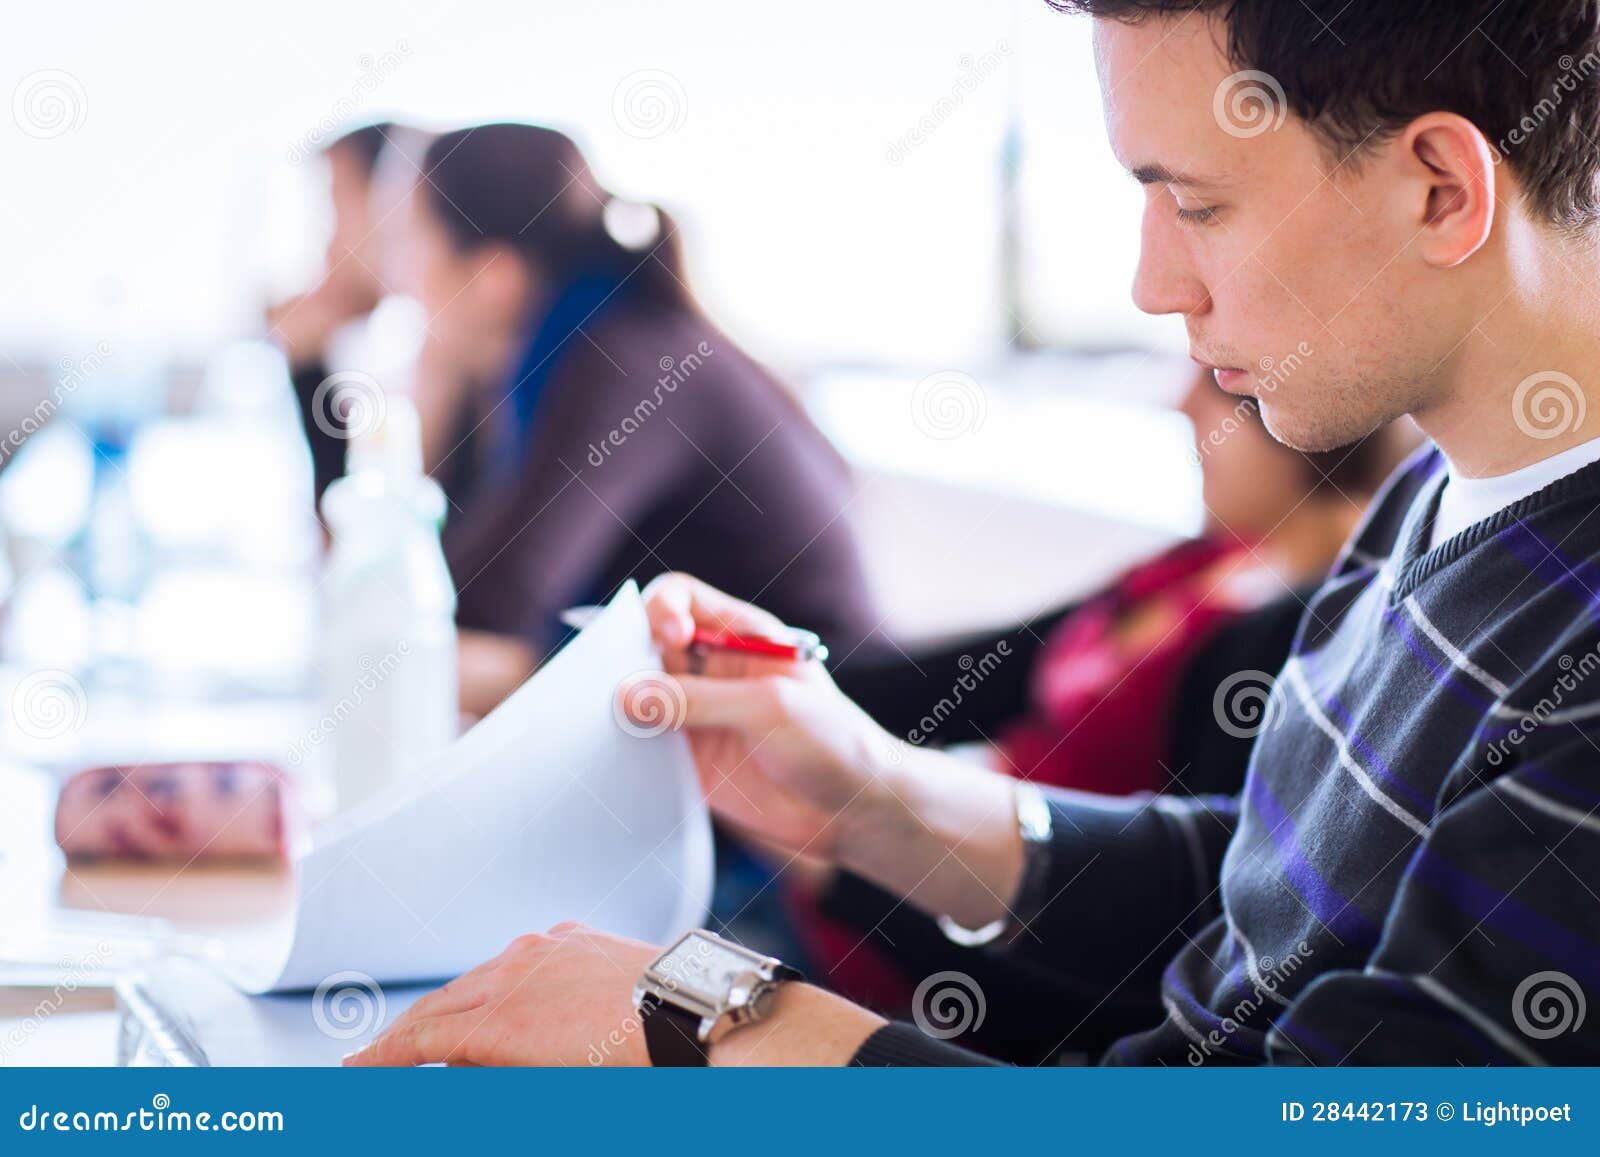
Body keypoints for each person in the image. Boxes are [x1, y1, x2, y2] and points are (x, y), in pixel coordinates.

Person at [347, 0, 1600, 1067]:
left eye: (1198, 206)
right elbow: (1266, 896)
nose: (1152, 284)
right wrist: (876, 797)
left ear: (1440, 190)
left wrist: (709, 1022)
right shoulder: (1432, 493)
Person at [407, 123, 881, 715]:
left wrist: (428, 393)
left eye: (412, 248)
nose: (402, 288)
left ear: (490, 278)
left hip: (815, 731)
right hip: (733, 720)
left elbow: (480, 610)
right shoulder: (588, 343)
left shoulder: (620, 362)